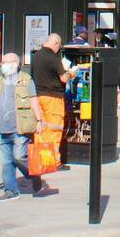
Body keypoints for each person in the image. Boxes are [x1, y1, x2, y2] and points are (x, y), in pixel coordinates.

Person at [0, 52, 47, 201]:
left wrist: (39, 120)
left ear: (15, 64)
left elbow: (33, 100)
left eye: (5, 62)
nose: (1, 65)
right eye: (2, 62)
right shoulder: (0, 80)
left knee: (19, 157)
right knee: (7, 162)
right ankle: (11, 191)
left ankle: (34, 176)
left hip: (20, 127)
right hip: (2, 128)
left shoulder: (25, 80)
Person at [32, 33, 78, 173]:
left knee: (41, 129)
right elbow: (63, 78)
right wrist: (71, 73)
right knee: (54, 130)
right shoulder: (53, 57)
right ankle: (54, 162)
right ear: (56, 44)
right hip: (53, 98)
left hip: (38, 97)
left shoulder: (36, 56)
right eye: (59, 46)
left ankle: (40, 160)